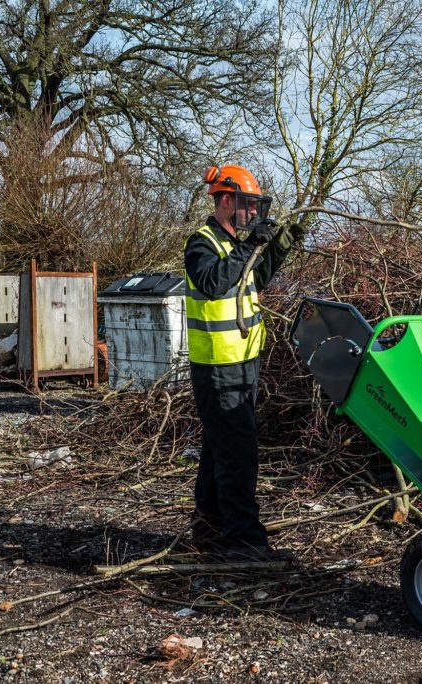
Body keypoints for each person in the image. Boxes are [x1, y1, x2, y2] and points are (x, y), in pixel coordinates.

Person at [183, 164, 302, 560]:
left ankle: (210, 526)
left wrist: (280, 246)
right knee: (238, 454)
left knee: (219, 448)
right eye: (248, 206)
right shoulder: (202, 244)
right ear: (227, 201)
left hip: (242, 363)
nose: (254, 215)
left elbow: (254, 279)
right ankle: (244, 541)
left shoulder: (235, 245)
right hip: (218, 367)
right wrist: (251, 245)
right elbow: (215, 283)